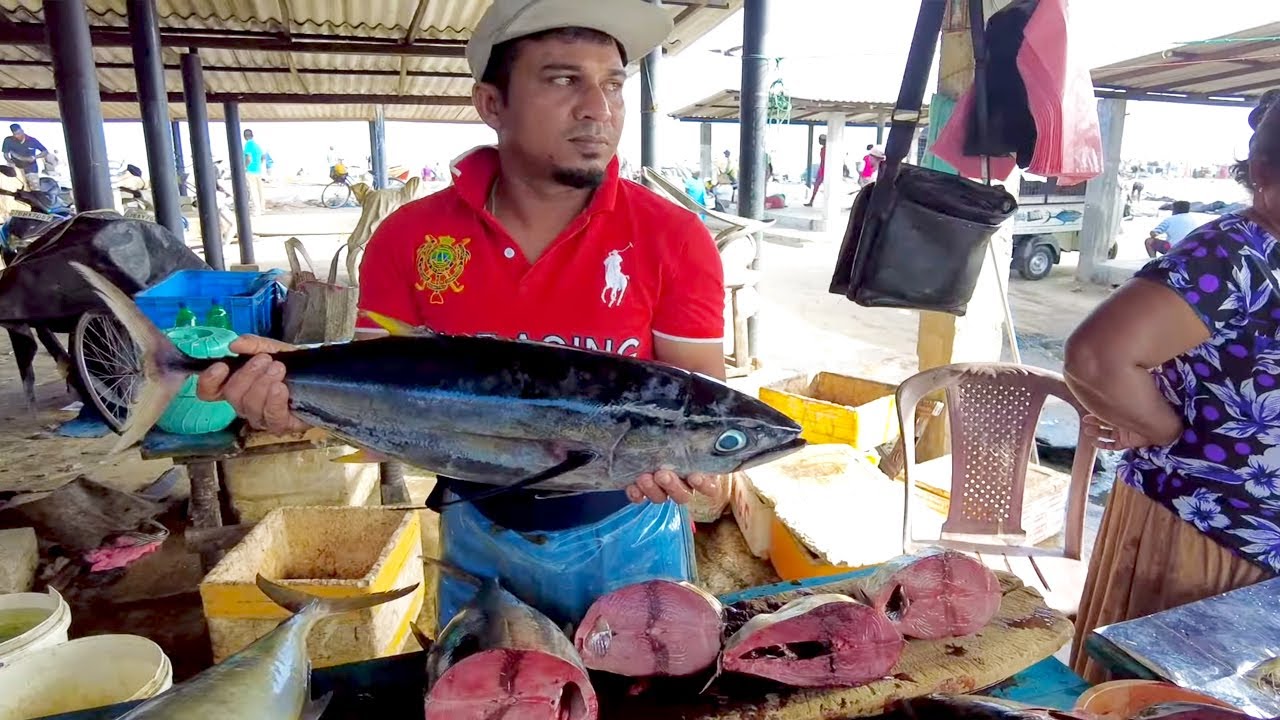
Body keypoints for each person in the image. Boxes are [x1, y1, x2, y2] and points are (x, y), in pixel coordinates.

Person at [195, 0, 725, 630]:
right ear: (491, 104)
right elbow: (384, 396)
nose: (598, 109)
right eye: (563, 80)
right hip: (478, 530)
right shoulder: (408, 238)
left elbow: (700, 406)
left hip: (632, 534)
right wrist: (291, 395)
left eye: (612, 84)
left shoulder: (673, 236)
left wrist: (696, 476)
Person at [1063, 88, 1280, 685]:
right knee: (1153, 695)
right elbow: (1098, 356)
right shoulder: (1234, 252)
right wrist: (1161, 428)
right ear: (1263, 172)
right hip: (1204, 525)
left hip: (1259, 535)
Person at [1144, 200, 1215, 257]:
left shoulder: (1170, 220)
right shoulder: (1193, 220)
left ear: (1175, 209)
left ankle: (1153, 259)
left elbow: (1154, 233)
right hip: (1189, 249)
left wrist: (1155, 235)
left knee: (1149, 241)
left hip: (1173, 248)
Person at [2, 124, 47, 191]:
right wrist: (10, 162)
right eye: (15, 134)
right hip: (15, 167)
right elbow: (5, 154)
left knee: (35, 189)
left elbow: (45, 151)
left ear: (23, 131)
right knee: (9, 185)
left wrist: (35, 157)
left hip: (31, 168)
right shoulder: (8, 140)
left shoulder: (32, 140)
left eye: (19, 133)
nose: (17, 136)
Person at [242, 129, 266, 215]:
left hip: (251, 170)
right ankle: (263, 208)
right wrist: (259, 164)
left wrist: (245, 167)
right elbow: (263, 157)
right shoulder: (257, 145)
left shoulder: (248, 145)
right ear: (252, 135)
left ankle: (257, 210)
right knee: (260, 190)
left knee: (253, 190)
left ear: (245, 136)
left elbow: (248, 158)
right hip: (258, 170)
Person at [805, 134, 827, 207]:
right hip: (822, 168)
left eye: (820, 140)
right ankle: (811, 201)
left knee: (817, 185)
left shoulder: (827, 149)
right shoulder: (823, 149)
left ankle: (812, 201)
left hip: (824, 169)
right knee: (816, 185)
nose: (819, 141)